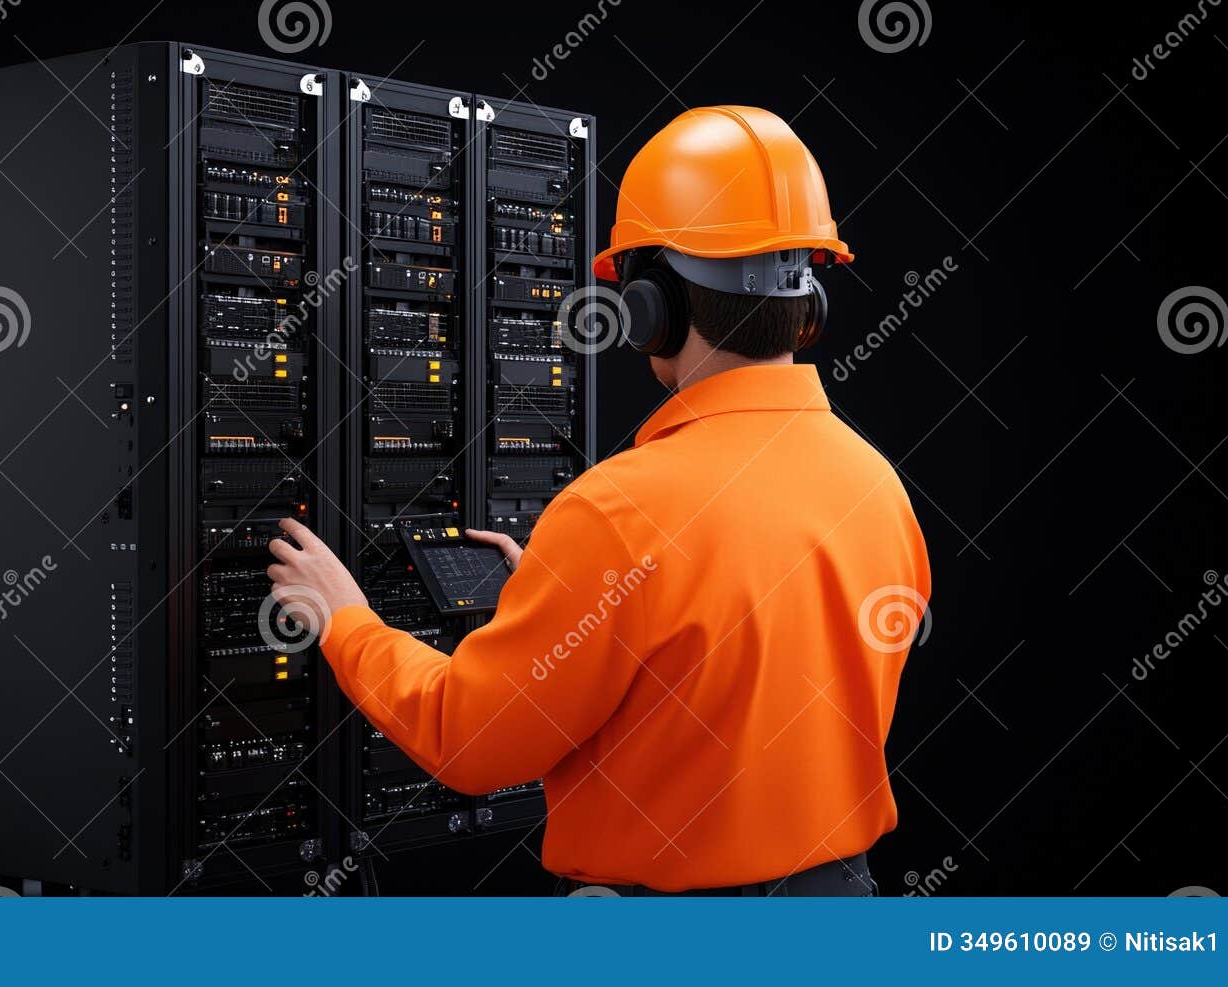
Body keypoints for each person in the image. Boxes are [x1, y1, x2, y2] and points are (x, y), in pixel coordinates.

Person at [267, 106, 931, 895]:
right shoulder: (875, 484)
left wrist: (345, 620)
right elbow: (747, 666)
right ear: (808, 298)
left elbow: (470, 741)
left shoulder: (618, 511)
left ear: (653, 306)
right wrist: (569, 600)